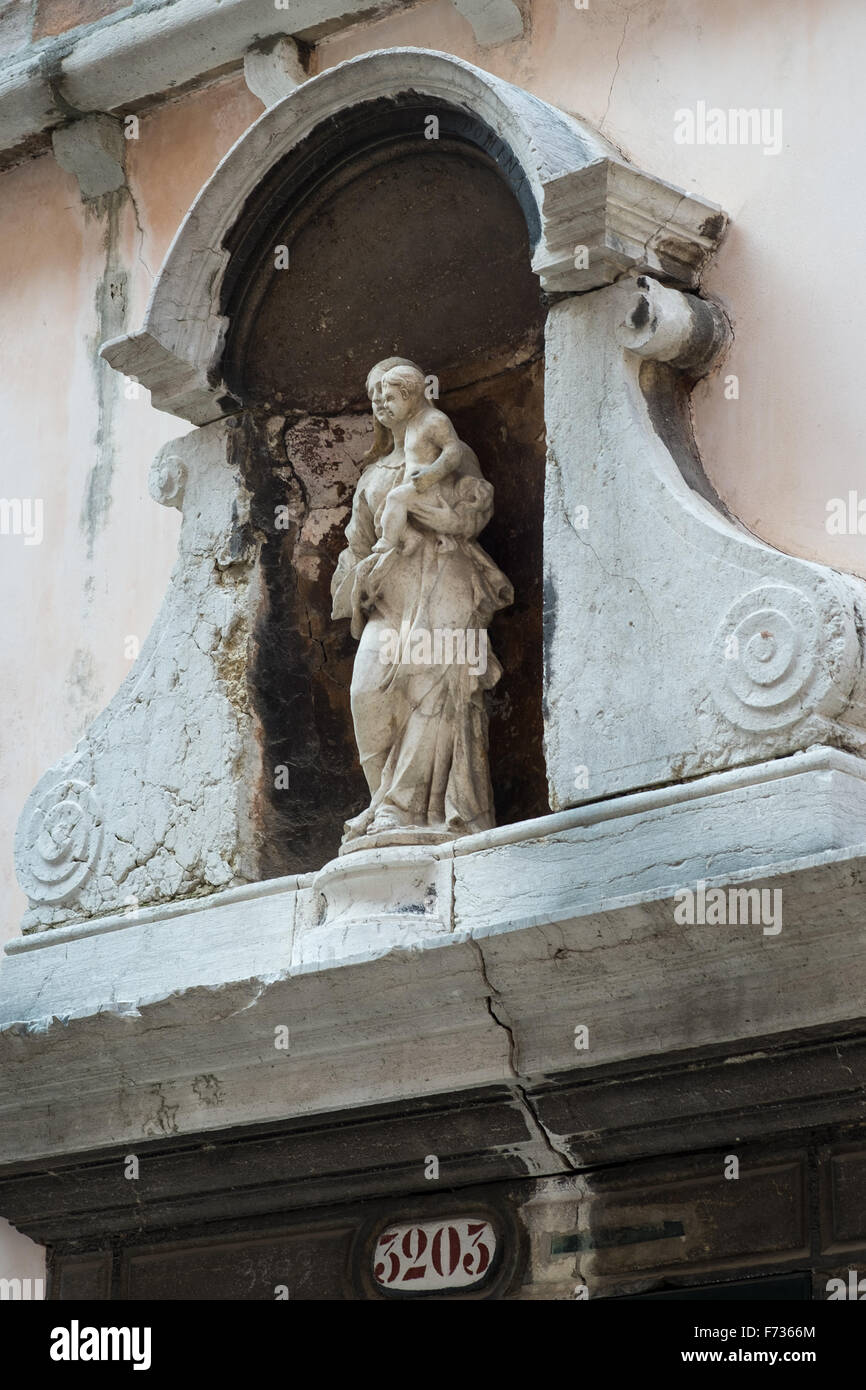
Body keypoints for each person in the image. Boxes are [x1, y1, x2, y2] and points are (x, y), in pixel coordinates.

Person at [331, 357, 512, 848]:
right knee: (367, 689)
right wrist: (358, 581)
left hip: (445, 579)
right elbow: (358, 546)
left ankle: (404, 810)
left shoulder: (445, 451)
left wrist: (419, 502)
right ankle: (381, 800)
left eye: (388, 394)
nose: (379, 404)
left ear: (414, 396)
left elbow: (473, 514)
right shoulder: (372, 475)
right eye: (374, 398)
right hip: (390, 599)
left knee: (436, 687)